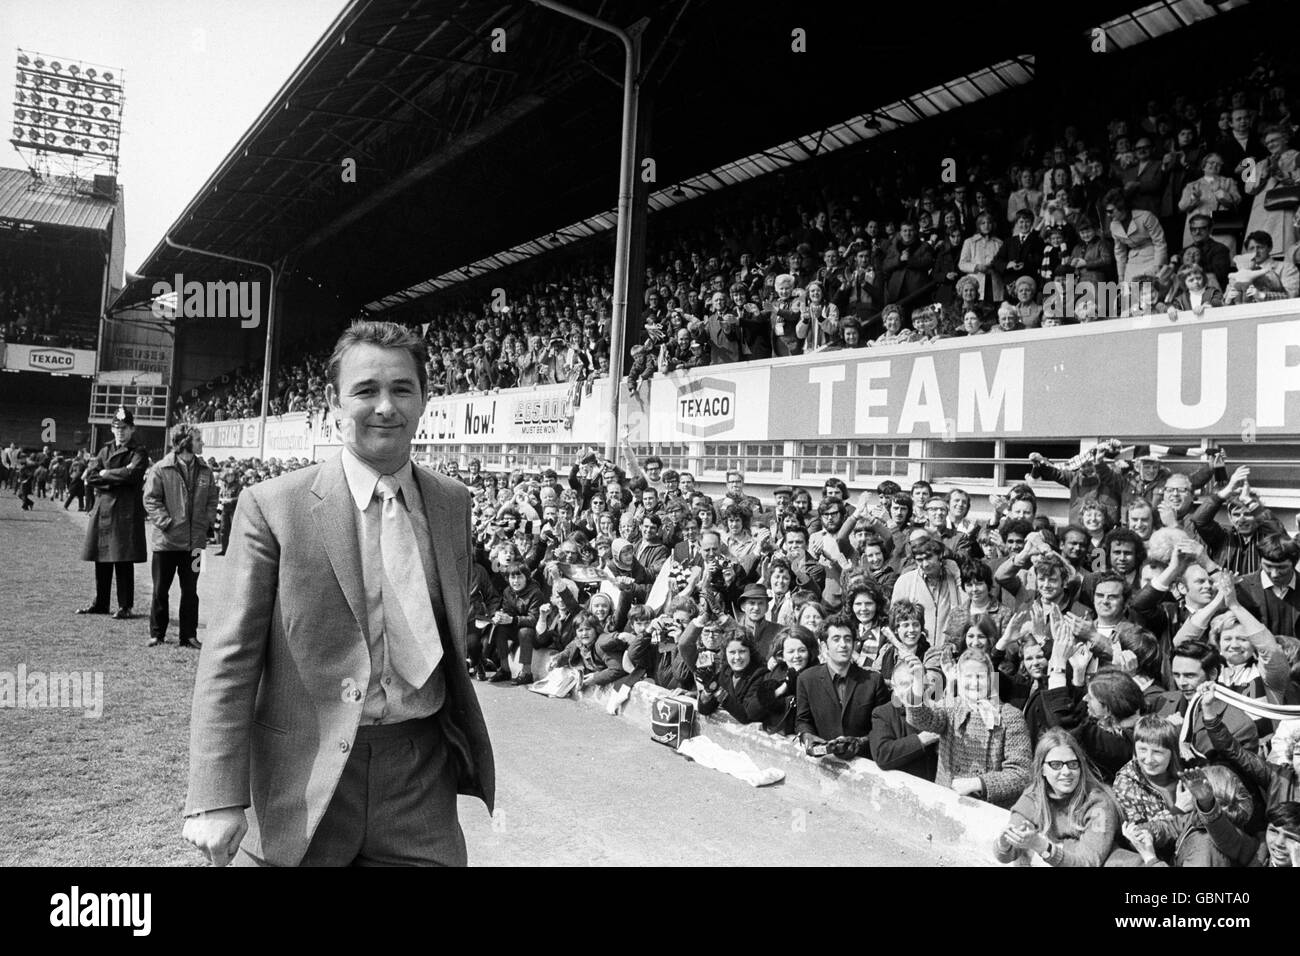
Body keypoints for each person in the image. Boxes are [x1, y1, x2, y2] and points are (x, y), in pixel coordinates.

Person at [184, 320, 495, 867]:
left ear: (425, 399)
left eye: (402, 389)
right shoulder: (272, 506)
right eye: (365, 390)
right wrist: (216, 796)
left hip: (420, 777)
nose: (385, 407)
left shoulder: (452, 502)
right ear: (333, 403)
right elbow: (230, 657)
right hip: (305, 779)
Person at [903, 648, 1032, 807]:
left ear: (991, 679)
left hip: (988, 808)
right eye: (968, 676)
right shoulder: (951, 706)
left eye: (980, 676)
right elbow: (921, 719)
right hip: (947, 801)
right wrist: (917, 682)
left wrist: (978, 783)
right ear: (959, 678)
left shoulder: (1010, 716)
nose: (974, 683)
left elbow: (1021, 773)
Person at [994, 727, 1121, 867]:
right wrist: (1005, 844)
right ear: (1042, 769)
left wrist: (1041, 846)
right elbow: (1005, 855)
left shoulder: (1097, 804)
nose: (1066, 772)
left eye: (1073, 764)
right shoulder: (1033, 797)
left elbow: (1088, 863)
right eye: (1056, 765)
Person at [142, 424, 218, 649]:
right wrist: (166, 523)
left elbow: (212, 498)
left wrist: (206, 522)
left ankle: (189, 636)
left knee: (191, 591)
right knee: (160, 590)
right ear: (185, 442)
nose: (202, 443)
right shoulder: (160, 468)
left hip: (195, 545)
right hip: (166, 543)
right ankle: (157, 634)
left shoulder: (206, 471)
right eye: (198, 439)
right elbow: (150, 499)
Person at [76, 407, 150, 619]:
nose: (120, 432)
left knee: (123, 559)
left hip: (124, 510)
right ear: (111, 429)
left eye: (124, 428)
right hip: (104, 509)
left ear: (132, 429)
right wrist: (115, 477)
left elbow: (133, 475)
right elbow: (90, 476)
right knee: (102, 557)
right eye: (117, 428)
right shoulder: (104, 450)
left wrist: (106, 473)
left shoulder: (138, 452)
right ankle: (101, 602)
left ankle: (125, 605)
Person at [795, 611, 891, 760]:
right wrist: (808, 738)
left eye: (847, 639)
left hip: (864, 762)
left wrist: (859, 742)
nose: (843, 645)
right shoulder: (806, 679)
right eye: (836, 639)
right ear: (824, 646)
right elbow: (803, 721)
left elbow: (883, 727)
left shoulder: (873, 681)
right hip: (824, 761)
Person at [869, 654, 941, 782]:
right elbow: (882, 754)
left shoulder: (937, 711)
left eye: (915, 683)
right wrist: (923, 739)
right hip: (901, 785)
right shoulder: (883, 714)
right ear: (895, 688)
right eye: (904, 684)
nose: (910, 690)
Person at [757, 625, 818, 735]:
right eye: (790, 652)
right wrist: (785, 686)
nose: (797, 656)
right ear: (782, 655)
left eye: (802, 650)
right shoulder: (775, 673)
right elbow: (755, 709)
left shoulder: (817, 675)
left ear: (810, 652)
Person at [696, 630, 767, 724]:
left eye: (742, 651)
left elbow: (746, 716)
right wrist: (708, 690)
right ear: (725, 653)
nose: (737, 657)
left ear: (751, 652)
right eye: (732, 652)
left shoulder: (760, 675)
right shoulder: (726, 671)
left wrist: (717, 690)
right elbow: (704, 710)